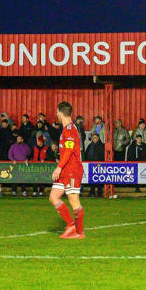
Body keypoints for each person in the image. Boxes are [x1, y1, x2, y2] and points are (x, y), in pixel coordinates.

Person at [50, 101, 85, 239]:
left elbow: (69, 150)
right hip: (65, 169)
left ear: (60, 113)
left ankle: (79, 232)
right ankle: (71, 226)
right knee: (53, 197)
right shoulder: (66, 129)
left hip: (72, 169)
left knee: (73, 200)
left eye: (57, 112)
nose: (56, 115)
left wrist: (58, 167)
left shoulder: (70, 129)